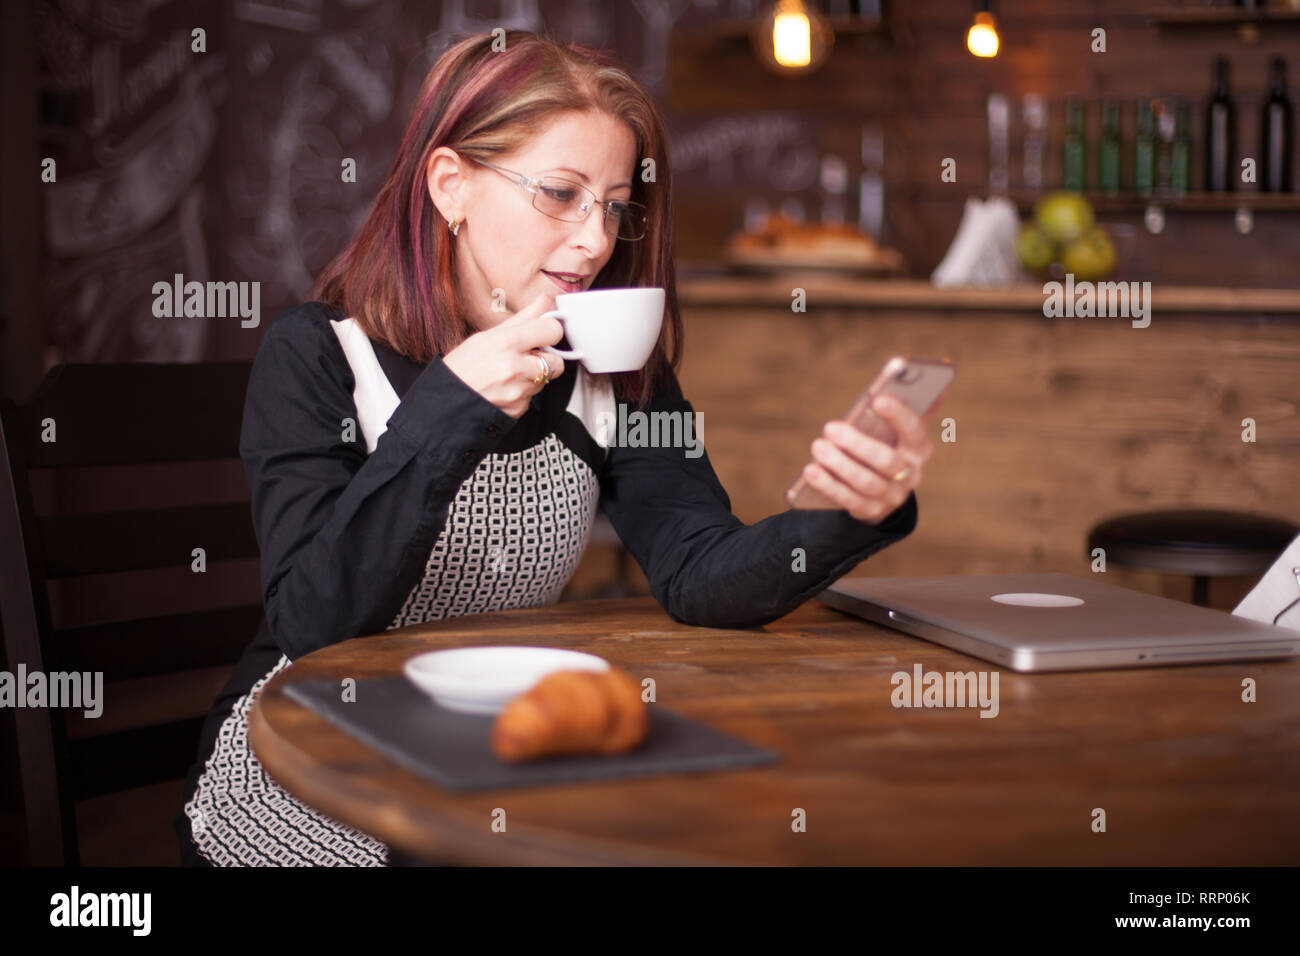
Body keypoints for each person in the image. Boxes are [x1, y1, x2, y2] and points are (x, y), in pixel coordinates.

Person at [175, 29, 932, 867]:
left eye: (613, 205)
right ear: (451, 185)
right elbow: (312, 619)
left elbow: (699, 573)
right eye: (560, 194)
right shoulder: (318, 355)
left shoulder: (608, 370)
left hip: (499, 752)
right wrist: (450, 410)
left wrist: (847, 515)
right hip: (313, 752)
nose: (595, 242)